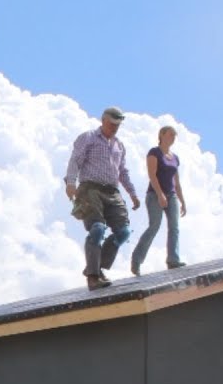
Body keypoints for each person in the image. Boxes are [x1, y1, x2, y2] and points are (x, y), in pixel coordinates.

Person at [64, 107, 141, 290]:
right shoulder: (88, 137)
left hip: (112, 192)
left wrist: (132, 193)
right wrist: (70, 182)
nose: (115, 127)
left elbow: (123, 172)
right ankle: (93, 276)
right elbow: (75, 160)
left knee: (124, 232)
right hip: (90, 188)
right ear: (103, 120)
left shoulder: (119, 145)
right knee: (97, 229)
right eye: (112, 123)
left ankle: (97, 267)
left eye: (118, 125)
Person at [130, 125, 187, 274]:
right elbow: (152, 175)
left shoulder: (175, 158)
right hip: (155, 194)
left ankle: (173, 260)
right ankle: (137, 259)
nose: (172, 138)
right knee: (154, 226)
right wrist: (160, 194)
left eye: (174, 136)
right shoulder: (154, 152)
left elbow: (177, 182)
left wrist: (183, 201)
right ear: (161, 135)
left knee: (174, 227)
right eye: (170, 135)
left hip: (172, 195)